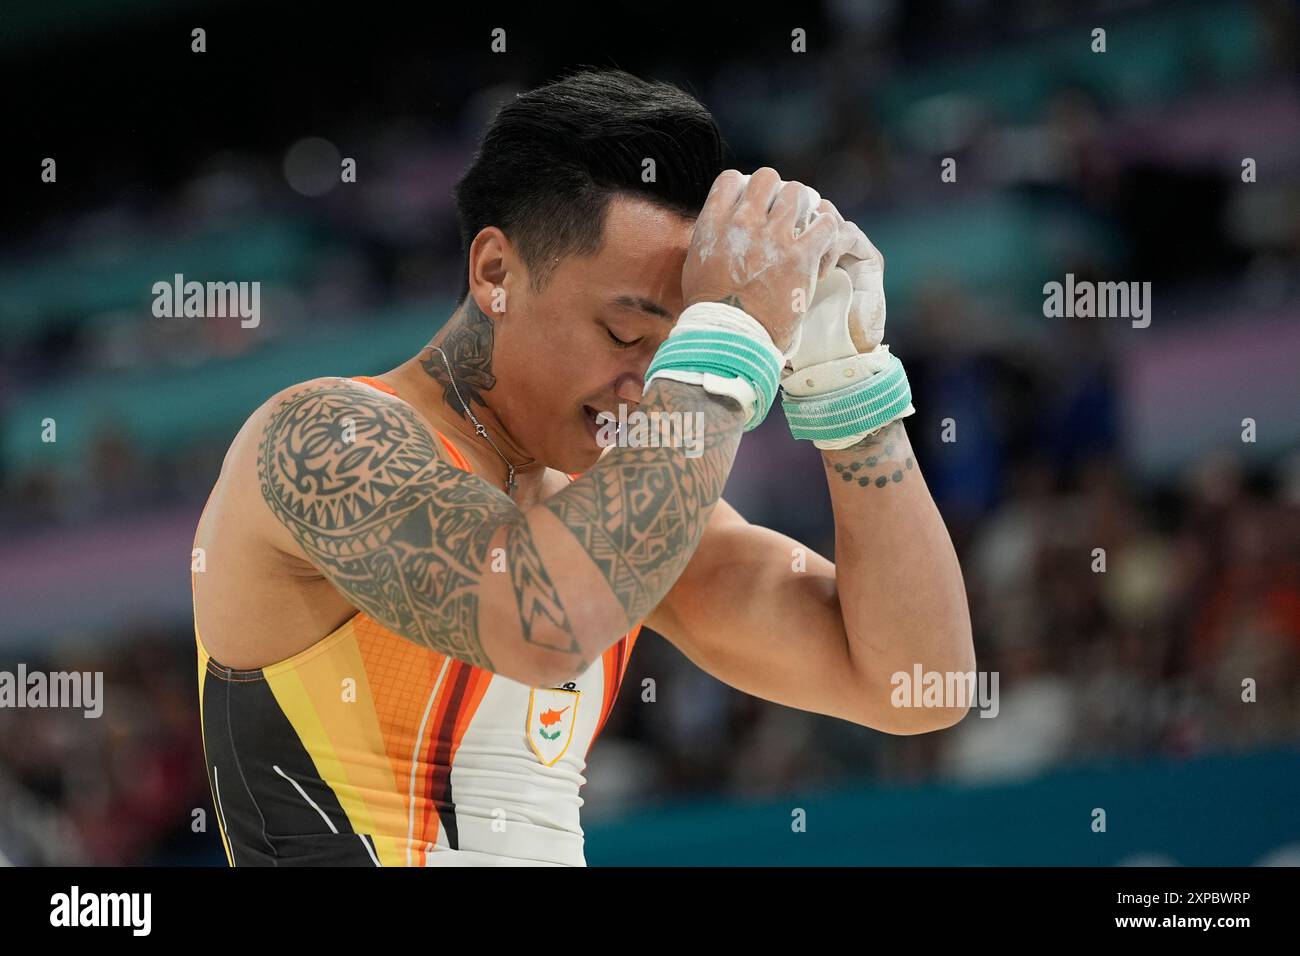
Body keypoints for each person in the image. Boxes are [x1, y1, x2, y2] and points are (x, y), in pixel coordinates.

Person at [191, 69, 973, 866]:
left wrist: (847, 385)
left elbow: (917, 685)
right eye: (628, 337)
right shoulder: (320, 438)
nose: (645, 388)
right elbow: (543, 623)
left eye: (678, 348)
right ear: (496, 273)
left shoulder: (620, 513)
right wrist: (731, 342)